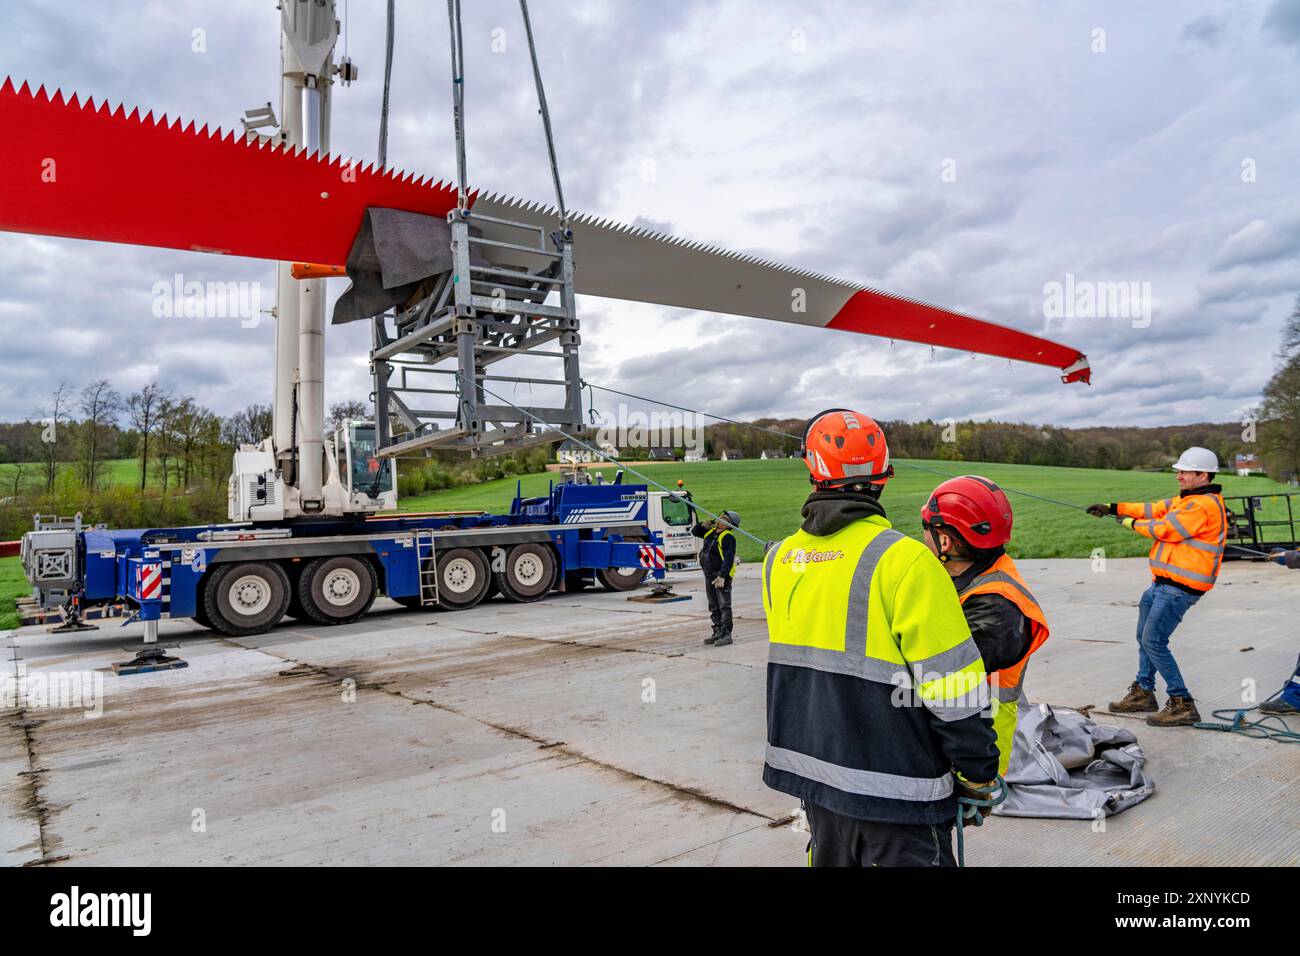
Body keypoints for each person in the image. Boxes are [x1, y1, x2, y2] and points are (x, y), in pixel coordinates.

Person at [762, 408, 999, 867]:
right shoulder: (905, 561)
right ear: (884, 475)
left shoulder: (779, 560)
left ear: (813, 471)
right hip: (897, 795)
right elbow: (952, 688)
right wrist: (978, 772)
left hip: (816, 784)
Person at [1086, 446, 1227, 727]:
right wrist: (1113, 508)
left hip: (1179, 589)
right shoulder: (1186, 500)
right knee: (1144, 639)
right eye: (1180, 471)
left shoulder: (1203, 506)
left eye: (1185, 471)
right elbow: (1152, 509)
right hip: (1162, 584)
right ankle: (1143, 692)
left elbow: (1164, 529)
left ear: (1203, 475)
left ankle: (1182, 703)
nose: (1179, 476)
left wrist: (1127, 523)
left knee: (1153, 641)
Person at [921, 476, 1050, 775]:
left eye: (926, 528)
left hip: (973, 756)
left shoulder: (999, 609)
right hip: (959, 739)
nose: (922, 537)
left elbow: (940, 675)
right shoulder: (967, 575)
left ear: (944, 541)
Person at [692, 510, 739, 646]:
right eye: (720, 517)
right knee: (713, 605)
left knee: (724, 605)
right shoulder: (710, 532)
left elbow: (729, 559)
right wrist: (703, 525)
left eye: (724, 519)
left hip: (721, 576)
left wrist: (722, 576)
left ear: (730, 525)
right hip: (709, 574)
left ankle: (726, 634)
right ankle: (717, 631)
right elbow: (695, 532)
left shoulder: (728, 537)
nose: (720, 520)